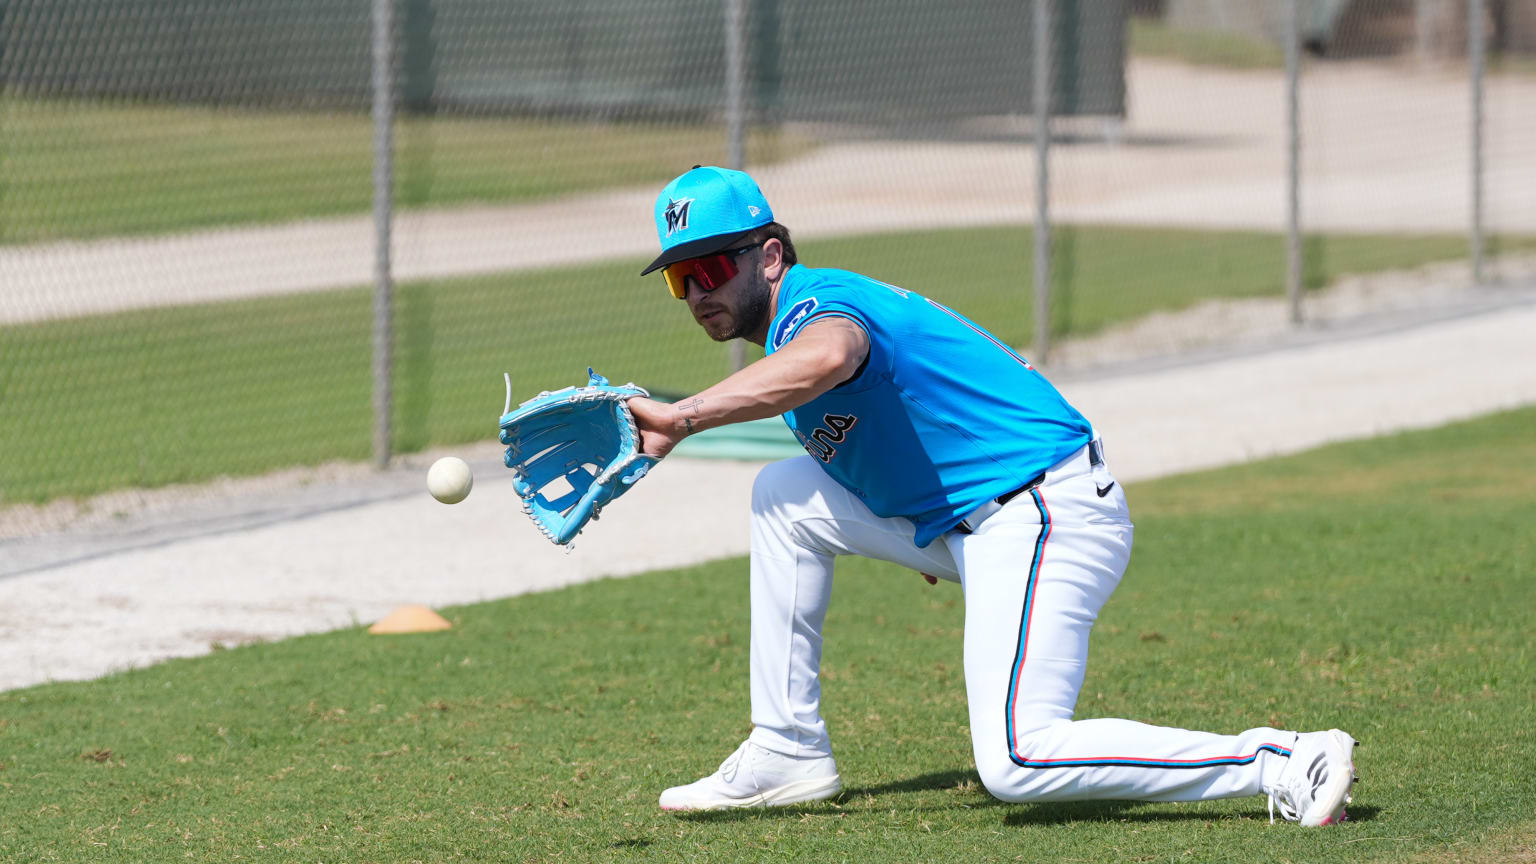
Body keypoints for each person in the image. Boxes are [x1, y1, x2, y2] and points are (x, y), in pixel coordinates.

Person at [624, 166, 1357, 824]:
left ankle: (1287, 760)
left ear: (771, 256)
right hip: (985, 517)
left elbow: (834, 355)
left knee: (1017, 758)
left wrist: (683, 416)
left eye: (712, 266)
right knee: (785, 496)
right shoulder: (787, 337)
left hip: (1046, 511)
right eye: (678, 278)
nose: (696, 292)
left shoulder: (819, 305)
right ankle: (785, 750)